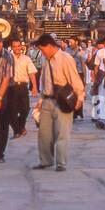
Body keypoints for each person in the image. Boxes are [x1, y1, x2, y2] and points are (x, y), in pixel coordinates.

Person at [34, 33, 85, 171]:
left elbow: (74, 79)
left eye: (42, 49)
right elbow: (44, 83)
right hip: (47, 100)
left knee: (62, 133)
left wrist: (80, 98)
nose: (42, 53)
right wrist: (40, 100)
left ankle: (61, 162)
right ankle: (46, 160)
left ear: (49, 46)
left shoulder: (65, 59)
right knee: (44, 133)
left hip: (63, 100)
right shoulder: (46, 61)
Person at [0, 32, 36, 161]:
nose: (17, 48)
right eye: (14, 46)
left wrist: (34, 87)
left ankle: (20, 127)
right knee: (10, 112)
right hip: (9, 87)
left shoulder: (26, 59)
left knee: (25, 109)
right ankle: (17, 130)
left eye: (19, 46)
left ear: (21, 47)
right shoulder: (7, 57)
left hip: (22, 85)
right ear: (11, 47)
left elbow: (32, 73)